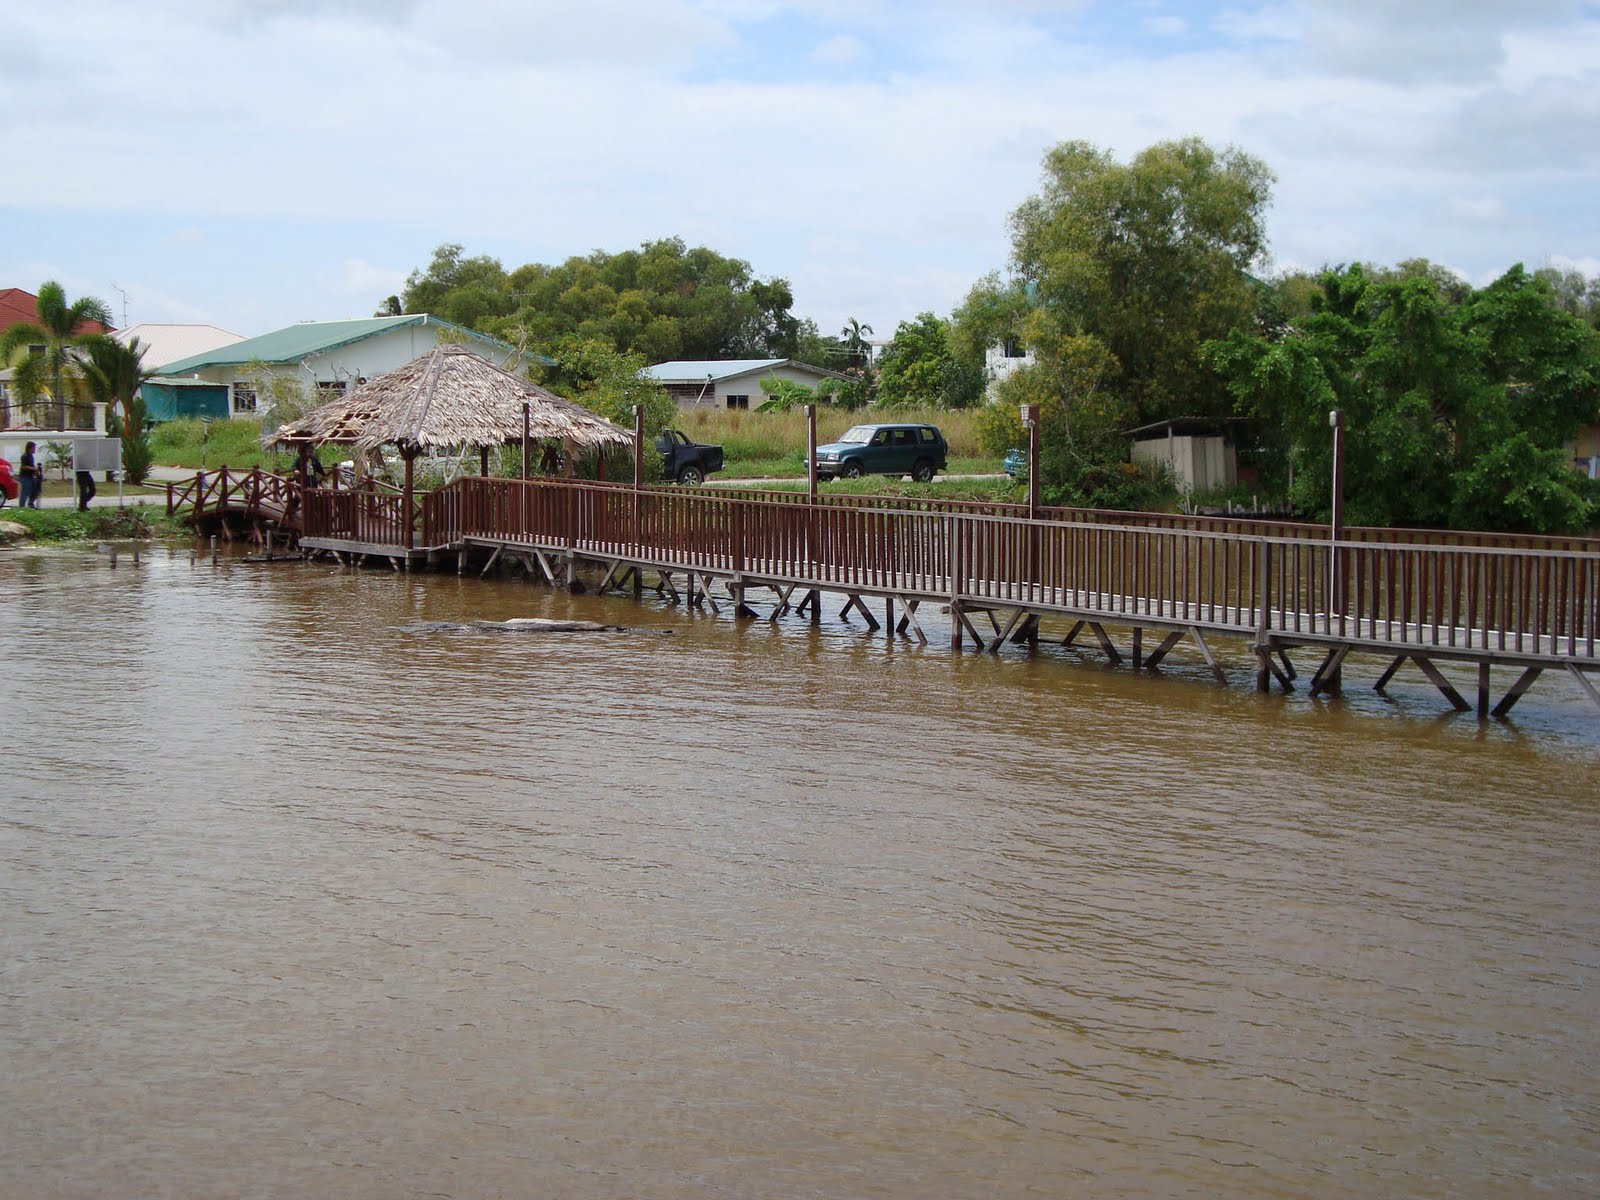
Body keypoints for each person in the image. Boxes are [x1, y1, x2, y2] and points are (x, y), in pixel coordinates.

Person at [19, 442, 40, 508]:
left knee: (35, 489)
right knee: (25, 491)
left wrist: (36, 471)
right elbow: (24, 466)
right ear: (30, 448)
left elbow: (31, 466)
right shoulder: (25, 456)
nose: (34, 449)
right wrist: (34, 468)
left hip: (31, 476)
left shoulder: (31, 456)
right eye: (34, 448)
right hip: (25, 477)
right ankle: (22, 506)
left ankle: (31, 503)